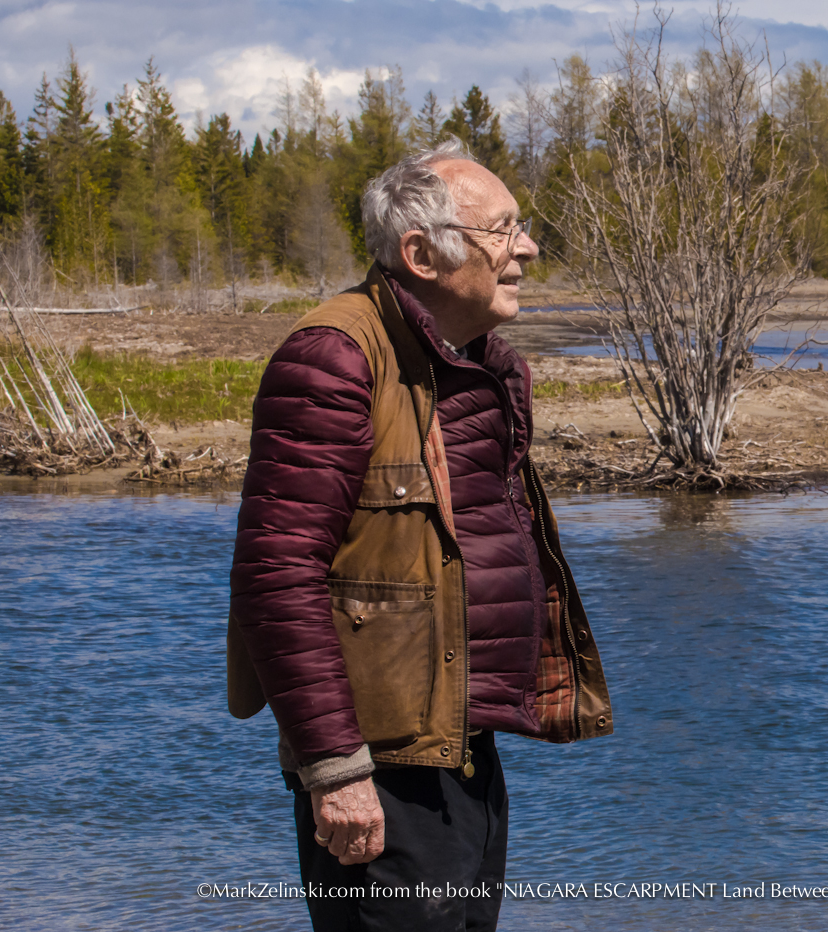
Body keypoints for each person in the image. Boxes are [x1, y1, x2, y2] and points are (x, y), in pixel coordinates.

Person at [227, 139, 613, 931]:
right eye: (502, 231)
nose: (527, 248)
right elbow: (278, 573)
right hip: (381, 765)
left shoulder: (483, 365)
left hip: (463, 748)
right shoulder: (334, 358)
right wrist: (336, 771)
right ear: (421, 253)